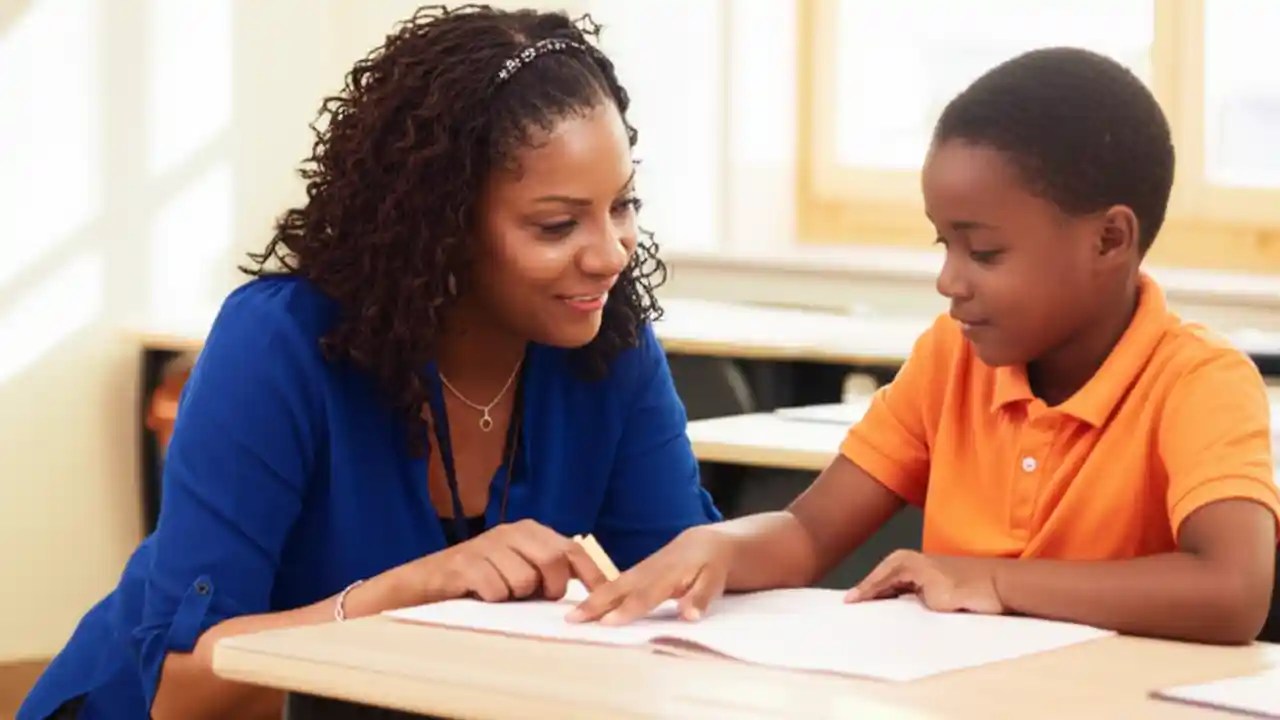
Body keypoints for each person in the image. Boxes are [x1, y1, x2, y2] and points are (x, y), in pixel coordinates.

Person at [20, 6, 719, 719]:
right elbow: (178, 691)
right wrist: (406, 593)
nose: (610, 253)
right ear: (440, 221)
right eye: (556, 225)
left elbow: (678, 596)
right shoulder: (278, 346)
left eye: (622, 205)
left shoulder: (609, 347)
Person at [568, 47, 1279, 644]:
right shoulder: (952, 359)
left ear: (1109, 239)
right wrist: (719, 545)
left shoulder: (1200, 381)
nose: (950, 281)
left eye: (986, 253)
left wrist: (996, 579)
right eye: (946, 244)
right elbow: (810, 532)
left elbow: (1232, 591)